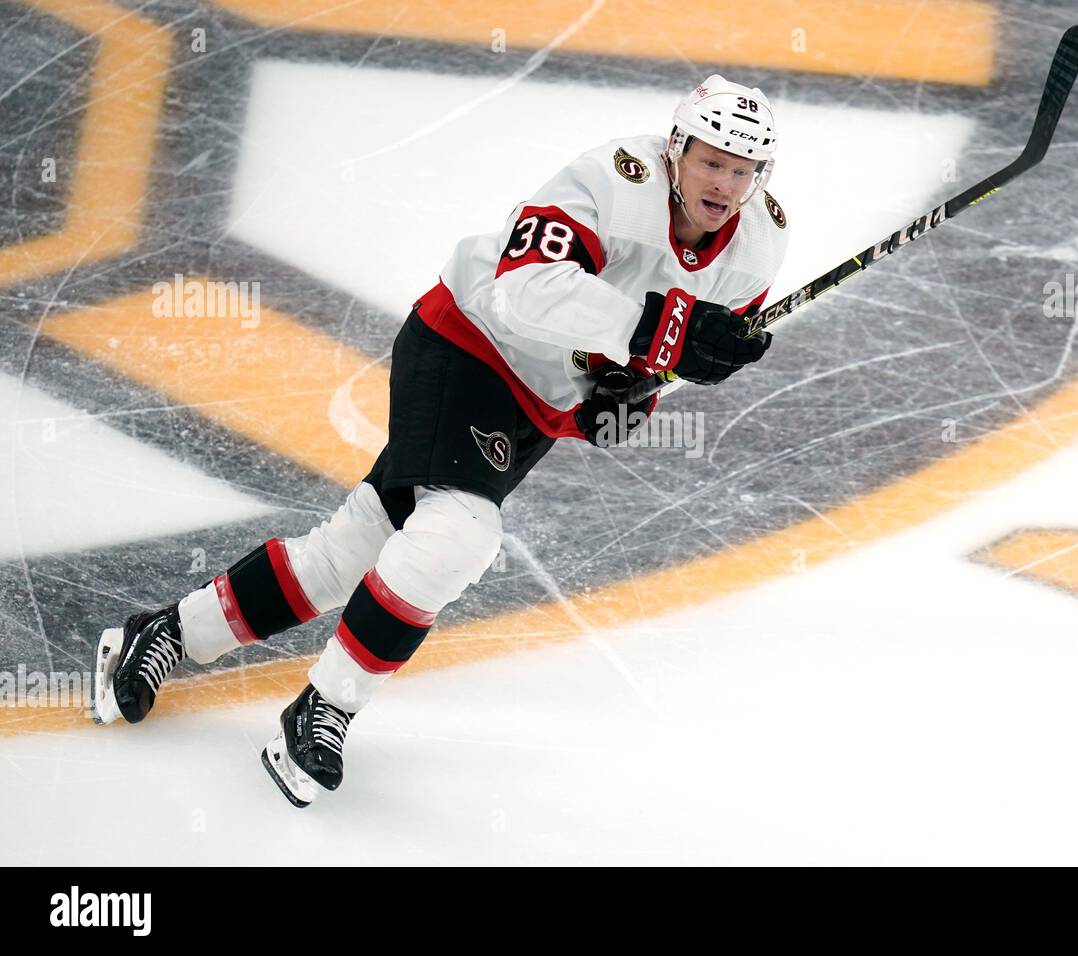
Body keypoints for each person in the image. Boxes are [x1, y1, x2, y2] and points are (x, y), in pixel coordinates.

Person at [91, 74, 791, 807]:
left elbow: (658, 354)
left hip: (538, 404)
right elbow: (520, 289)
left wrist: (631, 392)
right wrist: (657, 331)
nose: (725, 183)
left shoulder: (759, 247)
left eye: (743, 171)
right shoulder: (614, 180)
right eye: (712, 161)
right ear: (677, 148)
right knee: (458, 535)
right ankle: (322, 709)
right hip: (468, 344)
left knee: (352, 552)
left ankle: (167, 632)